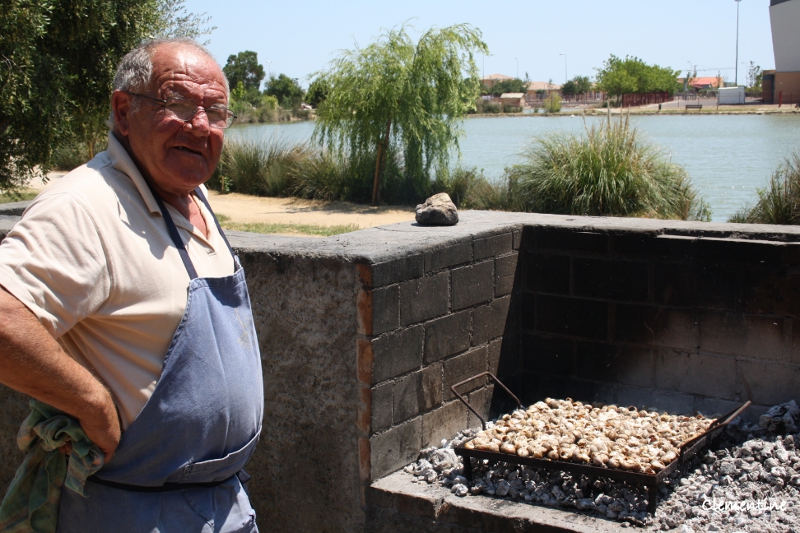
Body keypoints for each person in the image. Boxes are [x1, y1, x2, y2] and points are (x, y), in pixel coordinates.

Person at [0, 38, 263, 532]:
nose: (200, 126)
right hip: (133, 513)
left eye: (216, 111)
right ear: (124, 111)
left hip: (220, 504)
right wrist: (91, 401)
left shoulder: (190, 193)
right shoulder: (85, 206)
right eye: (179, 105)